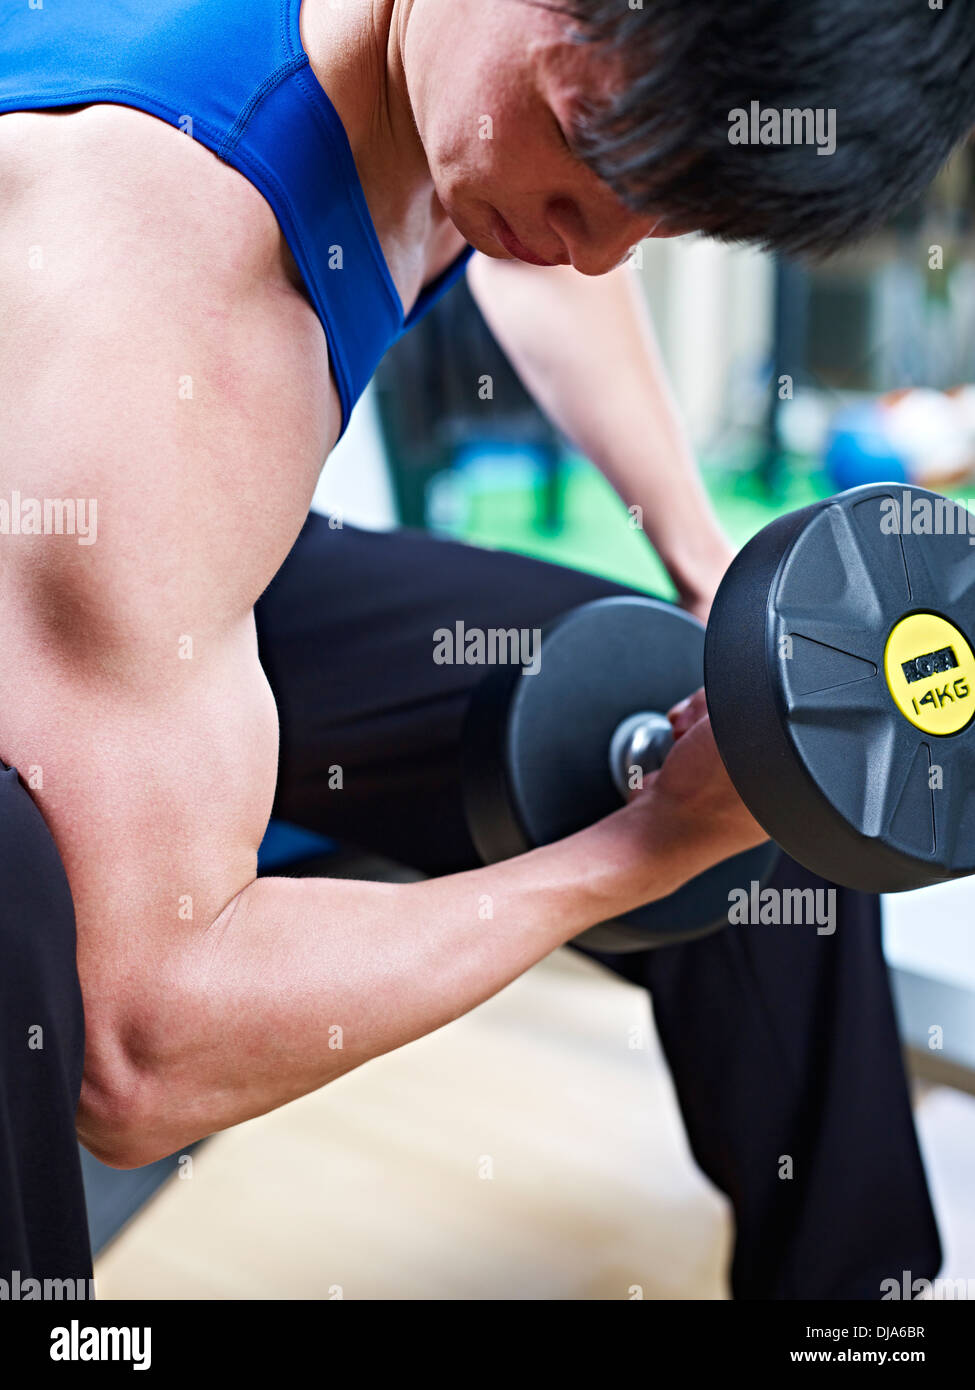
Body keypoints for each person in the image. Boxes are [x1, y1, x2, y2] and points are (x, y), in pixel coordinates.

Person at [1, 0, 969, 1295]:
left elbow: (533, 231)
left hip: (131, 557)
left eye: (656, 204)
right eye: (586, 148)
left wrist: (710, 568)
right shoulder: (169, 292)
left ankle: (860, 1311)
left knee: (756, 715)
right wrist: (633, 856)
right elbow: (140, 1056)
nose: (592, 249)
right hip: (81, 527)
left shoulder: (462, 77)